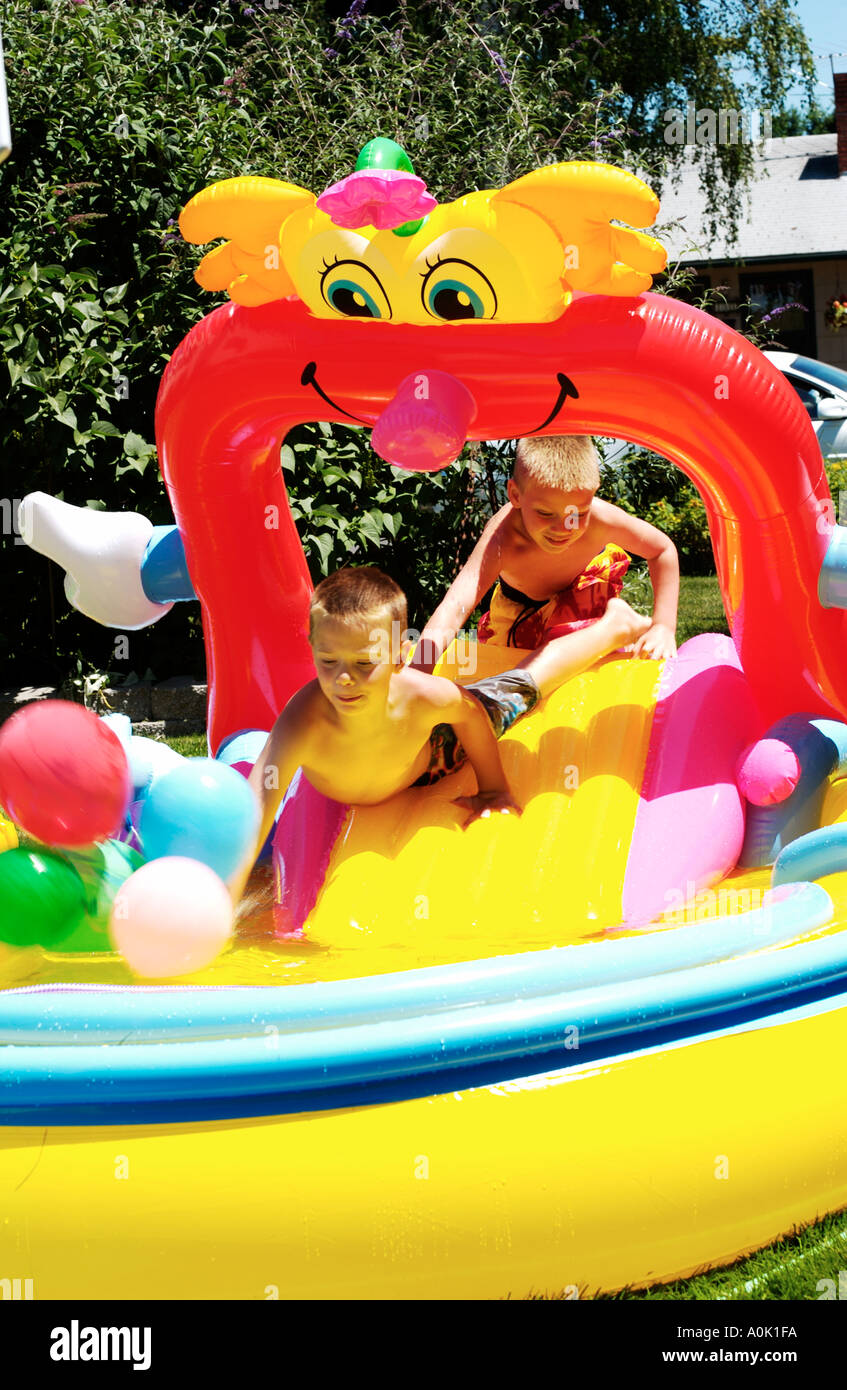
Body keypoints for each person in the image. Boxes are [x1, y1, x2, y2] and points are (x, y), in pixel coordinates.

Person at [226, 565, 651, 906]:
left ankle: (615, 625)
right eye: (328, 660)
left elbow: (469, 717)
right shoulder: (303, 719)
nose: (343, 680)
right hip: (377, 772)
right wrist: (227, 896)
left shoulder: (421, 694)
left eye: (363, 663)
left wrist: (493, 789)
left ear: (398, 655)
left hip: (436, 755)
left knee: (523, 685)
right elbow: (258, 801)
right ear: (312, 644)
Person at [410, 435, 678, 673]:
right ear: (515, 495)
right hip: (523, 610)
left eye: (578, 513)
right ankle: (614, 627)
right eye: (545, 513)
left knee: (578, 669)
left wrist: (663, 626)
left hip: (583, 590)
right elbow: (455, 605)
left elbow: (661, 549)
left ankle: (612, 625)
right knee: (523, 673)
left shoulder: (600, 519)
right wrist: (419, 668)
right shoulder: (503, 539)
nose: (563, 528)